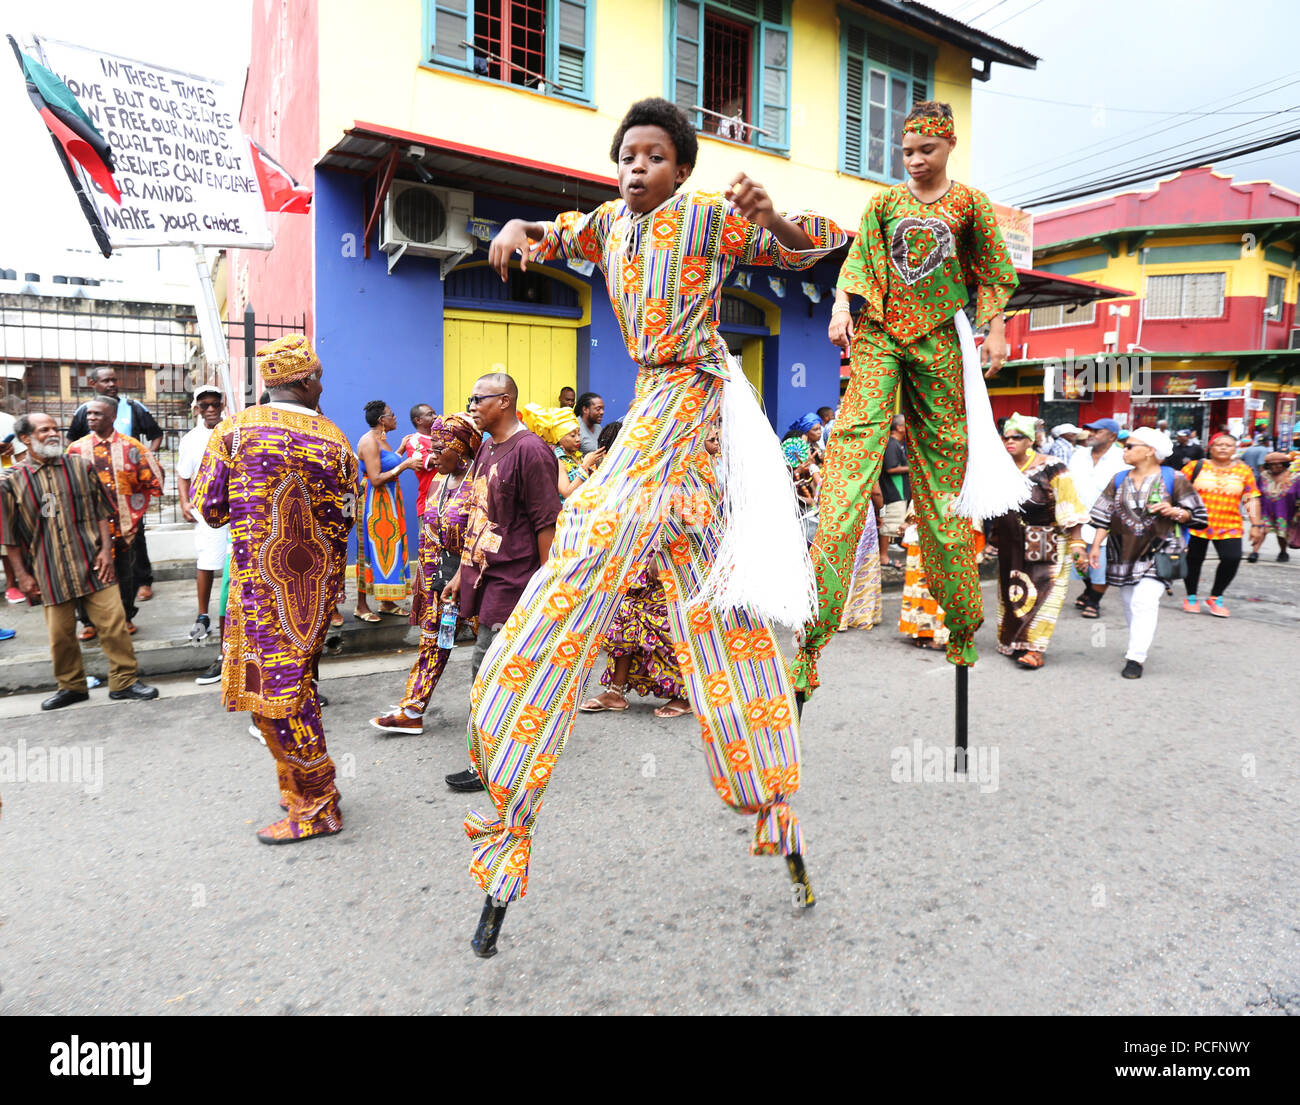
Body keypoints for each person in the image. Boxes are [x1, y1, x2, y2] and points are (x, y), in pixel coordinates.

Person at [469, 96, 846, 953]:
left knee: (586, 545)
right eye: (625, 156)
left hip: (697, 399)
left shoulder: (713, 219)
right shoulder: (608, 222)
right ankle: (769, 814)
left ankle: (512, 731)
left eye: (652, 156)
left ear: (682, 167)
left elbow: (816, 240)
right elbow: (555, 234)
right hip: (655, 407)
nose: (636, 168)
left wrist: (775, 216)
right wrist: (522, 222)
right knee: (715, 603)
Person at [799, 99, 1021, 695]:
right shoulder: (885, 203)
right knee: (849, 465)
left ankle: (963, 620)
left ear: (949, 147)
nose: (916, 160)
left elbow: (994, 272)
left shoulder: (969, 205)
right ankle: (812, 636)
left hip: (941, 342)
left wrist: (996, 328)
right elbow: (858, 266)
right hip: (880, 335)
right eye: (907, 151)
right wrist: (843, 309)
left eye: (927, 150)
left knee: (943, 483)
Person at [191, 335, 356, 843]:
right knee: (294, 690)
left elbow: (209, 508)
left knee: (278, 698)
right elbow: (347, 518)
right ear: (305, 382)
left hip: (261, 595)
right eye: (319, 377)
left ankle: (317, 806)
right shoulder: (336, 439)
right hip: (312, 593)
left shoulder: (235, 431)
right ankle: (303, 788)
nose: (322, 385)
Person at [441, 372, 560, 790]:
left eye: (479, 398)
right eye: (470, 398)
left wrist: (548, 588)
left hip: (516, 581)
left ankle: (491, 765)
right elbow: (480, 515)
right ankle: (508, 752)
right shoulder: (489, 448)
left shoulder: (532, 451)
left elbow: (547, 521)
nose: (471, 405)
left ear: (505, 401)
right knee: (495, 671)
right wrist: (461, 572)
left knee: (488, 672)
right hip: (485, 578)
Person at [0, 413, 158, 709]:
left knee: (114, 626)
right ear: (25, 438)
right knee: (60, 636)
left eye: (53, 428)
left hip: (93, 564)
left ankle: (124, 682)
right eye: (43, 429)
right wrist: (22, 576)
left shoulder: (79, 466)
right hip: (49, 568)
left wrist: (104, 551)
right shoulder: (12, 481)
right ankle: (71, 687)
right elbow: (9, 537)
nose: (52, 433)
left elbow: (101, 511)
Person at [370, 413, 482, 734]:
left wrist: (465, 574)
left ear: (461, 450)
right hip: (442, 585)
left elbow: (485, 535)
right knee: (433, 643)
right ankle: (412, 710)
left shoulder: (481, 485)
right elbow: (427, 534)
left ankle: (511, 712)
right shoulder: (437, 481)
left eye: (440, 448)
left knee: (497, 649)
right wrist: (427, 586)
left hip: (477, 585)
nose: (431, 456)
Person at [579, 418, 690, 719]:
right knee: (622, 628)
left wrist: (658, 553)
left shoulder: (657, 472)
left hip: (655, 563)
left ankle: (683, 693)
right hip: (624, 562)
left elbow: (672, 511)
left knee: (663, 629)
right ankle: (615, 693)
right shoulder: (618, 475)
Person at [1087, 427, 1207, 679]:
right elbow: (1103, 516)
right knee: (1130, 603)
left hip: (1161, 550)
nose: (1124, 450)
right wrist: (1096, 545)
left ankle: (1135, 657)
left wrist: (1175, 511)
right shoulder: (1119, 479)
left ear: (1149, 451)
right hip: (1123, 550)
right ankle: (1137, 644)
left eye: (1130, 446)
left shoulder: (1174, 477)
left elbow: (1195, 514)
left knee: (1144, 601)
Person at [988, 413, 1090, 669]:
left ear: (1031, 440)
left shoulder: (1053, 466)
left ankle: (1035, 648)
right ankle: (1014, 641)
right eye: (1006, 437)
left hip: (1046, 538)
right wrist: (993, 540)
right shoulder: (1000, 467)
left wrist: (1078, 544)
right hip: (1012, 543)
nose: (1010, 441)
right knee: (1013, 593)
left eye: (1017, 437)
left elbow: (1070, 505)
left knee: (1044, 593)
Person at [66, 398, 164, 638]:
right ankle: (88, 622)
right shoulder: (76, 450)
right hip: (87, 526)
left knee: (124, 573)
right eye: (89, 414)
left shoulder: (133, 447)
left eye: (97, 414)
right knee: (86, 573)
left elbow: (154, 478)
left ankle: (126, 617)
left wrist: (135, 503)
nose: (90, 418)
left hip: (123, 523)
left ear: (112, 417)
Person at [1180, 431, 1261, 617]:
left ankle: (1216, 597)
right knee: (1193, 561)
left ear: (1235, 449)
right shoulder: (1195, 466)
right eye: (1219, 444)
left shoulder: (1243, 470)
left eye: (1228, 445)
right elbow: (1178, 490)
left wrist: (1256, 525)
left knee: (1232, 558)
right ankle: (1191, 596)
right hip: (1196, 522)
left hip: (1229, 523)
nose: (1223, 448)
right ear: (1210, 448)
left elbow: (1251, 497)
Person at [354, 400, 416, 621]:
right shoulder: (369, 441)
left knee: (391, 549)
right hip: (374, 502)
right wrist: (405, 464)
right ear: (382, 420)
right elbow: (376, 478)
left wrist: (400, 449)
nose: (395, 418)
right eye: (392, 414)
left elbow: (386, 465)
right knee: (370, 552)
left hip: (389, 503)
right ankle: (361, 606)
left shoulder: (383, 440)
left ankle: (387, 602)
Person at [176, 386, 229, 645]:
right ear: (196, 407)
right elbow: (183, 475)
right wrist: (184, 503)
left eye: (214, 404)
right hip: (206, 510)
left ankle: (236, 613)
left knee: (238, 565)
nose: (210, 410)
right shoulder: (190, 439)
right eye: (204, 405)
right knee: (207, 562)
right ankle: (203, 615)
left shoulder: (232, 432)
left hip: (237, 509)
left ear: (222, 404)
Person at [1068, 418, 1128, 619]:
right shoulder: (1078, 454)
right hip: (1077, 519)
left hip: (1107, 522)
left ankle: (1094, 601)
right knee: (1079, 563)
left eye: (1097, 431)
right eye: (1089, 430)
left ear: (1112, 436)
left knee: (1101, 565)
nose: (1091, 434)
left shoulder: (1122, 458)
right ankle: (1089, 590)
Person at [519, 403, 604, 499]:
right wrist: (586, 465)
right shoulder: (557, 460)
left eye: (579, 434)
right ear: (559, 437)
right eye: (572, 435)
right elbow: (566, 493)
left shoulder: (575, 455)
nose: (578, 439)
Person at [837, 482, 884, 632]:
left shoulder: (832, 459)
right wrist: (879, 511)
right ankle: (861, 615)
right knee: (863, 563)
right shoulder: (868, 459)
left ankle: (836, 617)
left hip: (838, 509)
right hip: (861, 512)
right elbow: (876, 492)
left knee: (842, 563)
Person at [1253, 452, 1299, 562]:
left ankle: (1283, 552)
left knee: (1282, 533)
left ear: (1285, 464)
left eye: (1278, 464)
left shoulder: (1295, 478)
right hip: (1265, 509)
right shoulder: (1263, 476)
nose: (1275, 467)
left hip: (1285, 510)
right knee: (1262, 530)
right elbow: (1256, 492)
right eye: (1271, 464)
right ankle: (1254, 552)